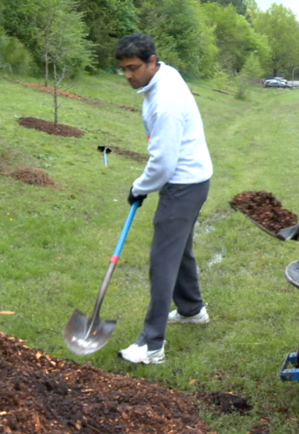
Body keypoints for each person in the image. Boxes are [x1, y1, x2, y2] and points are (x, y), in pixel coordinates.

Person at [114, 33, 213, 365]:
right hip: (195, 178)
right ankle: (192, 310)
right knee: (179, 249)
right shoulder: (165, 76)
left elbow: (163, 163)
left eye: (133, 68)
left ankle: (152, 344)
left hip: (183, 184)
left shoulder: (165, 103)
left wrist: (140, 186)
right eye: (124, 69)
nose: (128, 75)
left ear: (152, 62)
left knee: (162, 261)